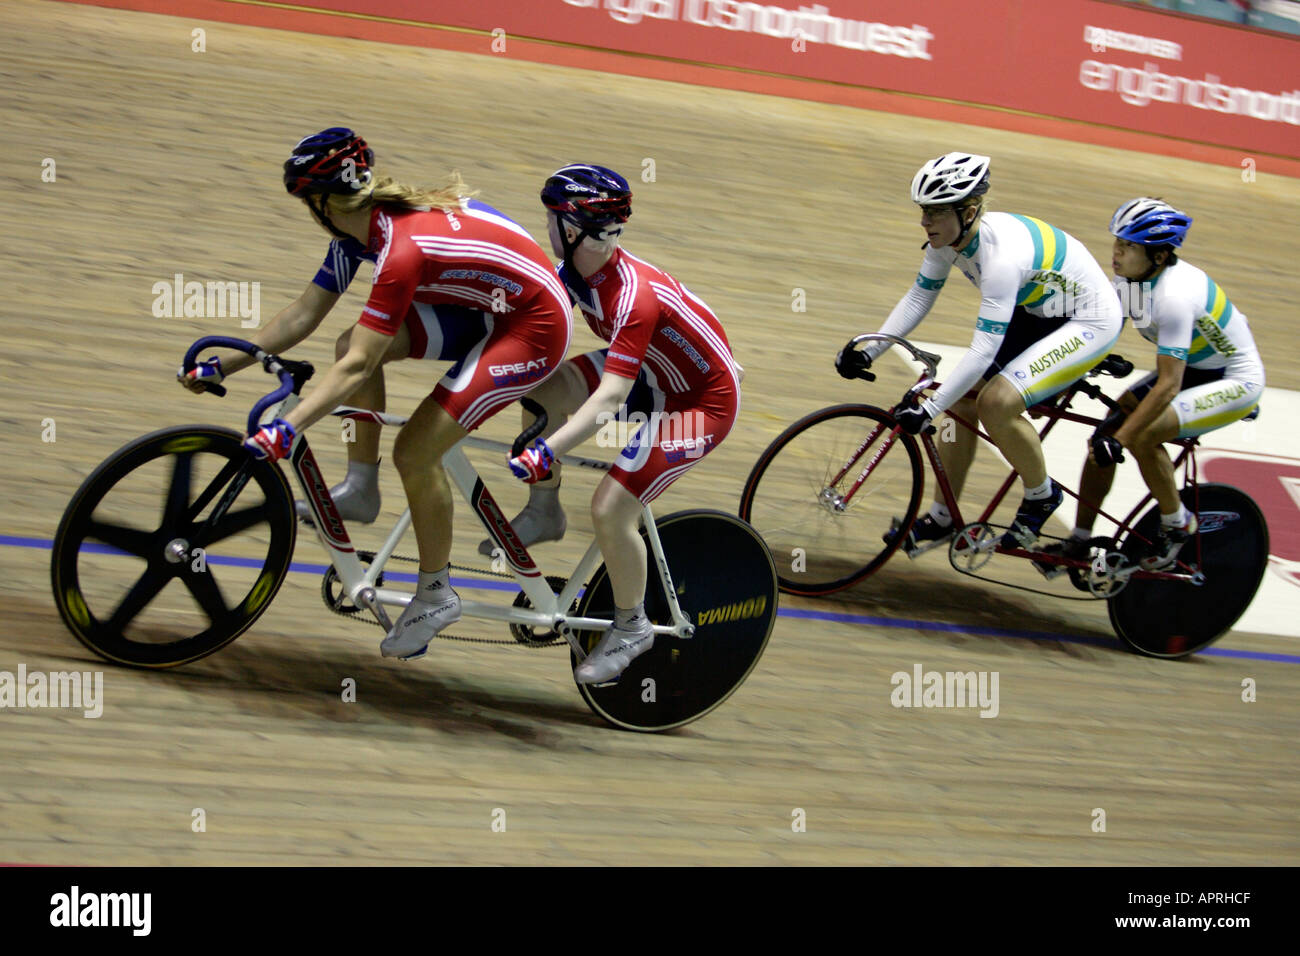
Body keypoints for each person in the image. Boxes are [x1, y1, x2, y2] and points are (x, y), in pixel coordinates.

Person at [179, 127, 572, 659]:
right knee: (347, 341)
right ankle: (362, 489)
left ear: (322, 203)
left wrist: (287, 429)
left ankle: (436, 593)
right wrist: (220, 366)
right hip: (486, 303)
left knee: (415, 449)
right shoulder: (357, 234)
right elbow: (303, 316)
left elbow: (361, 363)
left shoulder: (400, 251)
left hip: (532, 326)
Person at [499, 164, 742, 685]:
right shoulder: (576, 273)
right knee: (539, 386)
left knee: (611, 507)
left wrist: (549, 449)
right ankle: (544, 511)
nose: (545, 227)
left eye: (550, 218)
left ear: (572, 228)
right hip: (653, 377)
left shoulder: (631, 295)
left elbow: (609, 396)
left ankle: (633, 625)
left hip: (700, 403)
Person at [835, 152, 1123, 550]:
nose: (925, 222)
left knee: (996, 404)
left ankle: (1042, 495)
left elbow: (983, 350)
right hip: (1039, 307)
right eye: (923, 211)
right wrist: (870, 350)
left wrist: (927, 411)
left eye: (935, 213)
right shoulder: (948, 238)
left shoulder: (1000, 258)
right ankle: (941, 518)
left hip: (1087, 321)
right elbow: (920, 297)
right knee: (960, 404)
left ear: (968, 212)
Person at [1037, 197, 1264, 573]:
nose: (1116, 253)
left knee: (1140, 436)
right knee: (1103, 438)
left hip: (1233, 379)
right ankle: (1079, 540)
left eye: (1128, 247)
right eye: (1117, 243)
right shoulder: (1129, 281)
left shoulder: (1174, 297)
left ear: (1158, 257)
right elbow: (1094, 333)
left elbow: (1168, 386)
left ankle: (1178, 523)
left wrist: (1122, 440)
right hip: (1196, 366)